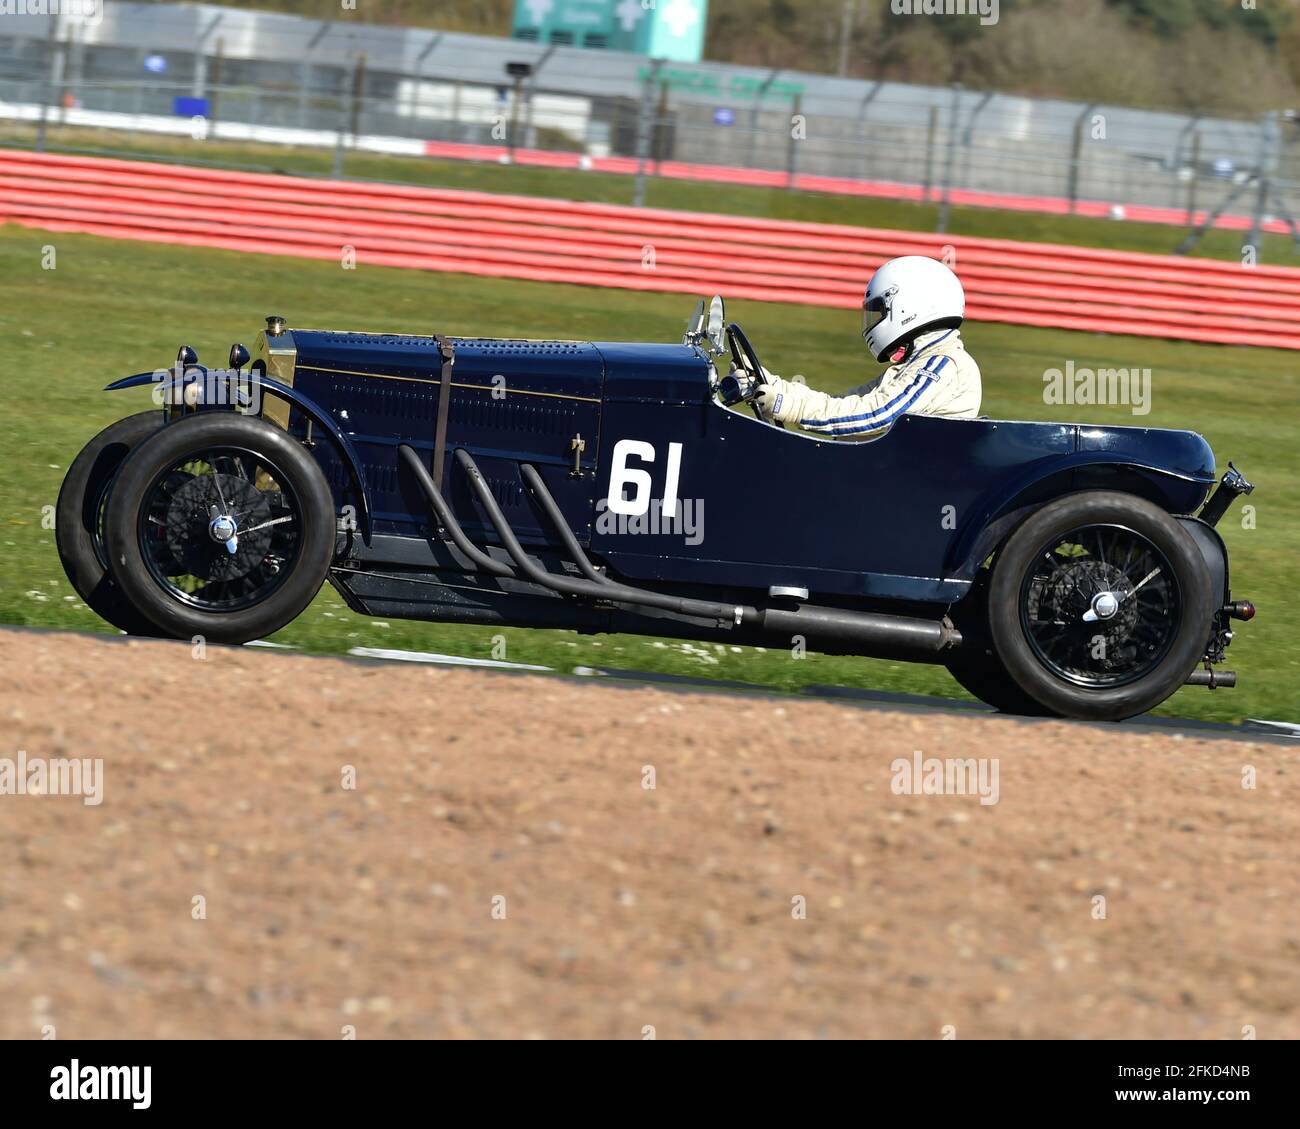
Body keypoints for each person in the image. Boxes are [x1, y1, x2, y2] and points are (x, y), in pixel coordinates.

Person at [753, 255, 981, 439]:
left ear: (907, 307)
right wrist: (776, 386)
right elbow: (844, 404)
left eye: (880, 311)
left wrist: (792, 408)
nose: (875, 320)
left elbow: (878, 414)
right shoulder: (920, 361)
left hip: (915, 485)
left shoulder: (942, 363)